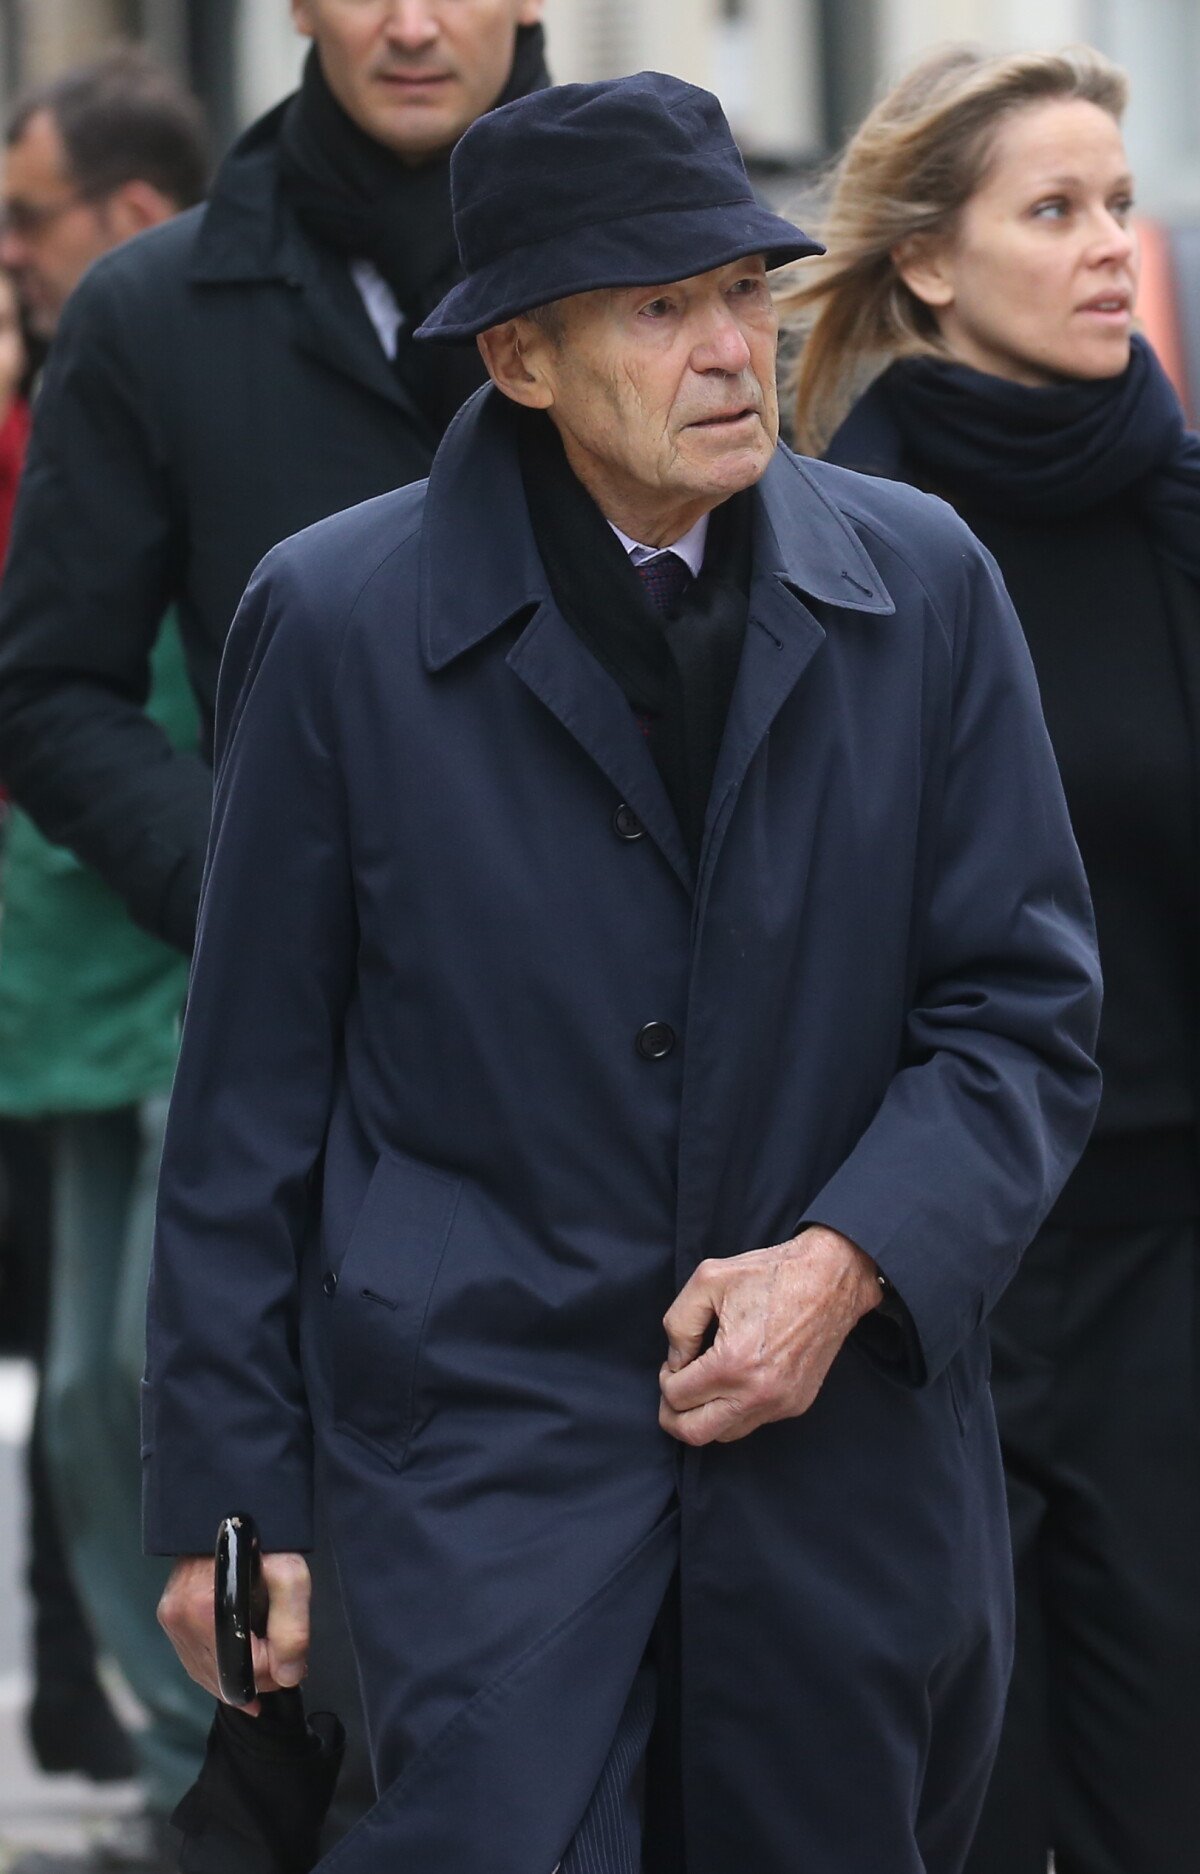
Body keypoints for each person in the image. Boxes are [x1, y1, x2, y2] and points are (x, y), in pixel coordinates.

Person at [148, 72, 1102, 1874]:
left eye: (745, 288)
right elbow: (247, 1092)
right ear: (519, 358)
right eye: (661, 307)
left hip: (846, 1464)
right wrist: (223, 1494)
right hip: (471, 1466)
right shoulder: (339, 619)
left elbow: (1023, 1012)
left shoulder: (928, 589)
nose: (733, 346)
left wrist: (849, 1257)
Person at [782, 43, 1200, 1874]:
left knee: (1164, 1774)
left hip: (1174, 1258)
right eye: (1057, 209)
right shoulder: (835, 546)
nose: (1114, 244)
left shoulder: (1178, 512)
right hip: (928, 1273)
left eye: (1119, 201)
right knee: (960, 1785)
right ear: (932, 261)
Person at [0, 0, 548, 957]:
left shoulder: (685, 294)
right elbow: (50, 690)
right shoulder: (146, 312)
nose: (411, 26)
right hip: (319, 1041)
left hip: (653, 1032)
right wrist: (250, 894)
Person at [0, 52, 212, 1874]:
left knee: (159, 1388)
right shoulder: (72, 374)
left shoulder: (185, 366)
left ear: (129, 215)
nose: (11, 253)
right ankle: (172, 1780)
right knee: (81, 1398)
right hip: (63, 980)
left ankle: (220, 1776)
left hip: (180, 970)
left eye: (25, 215)